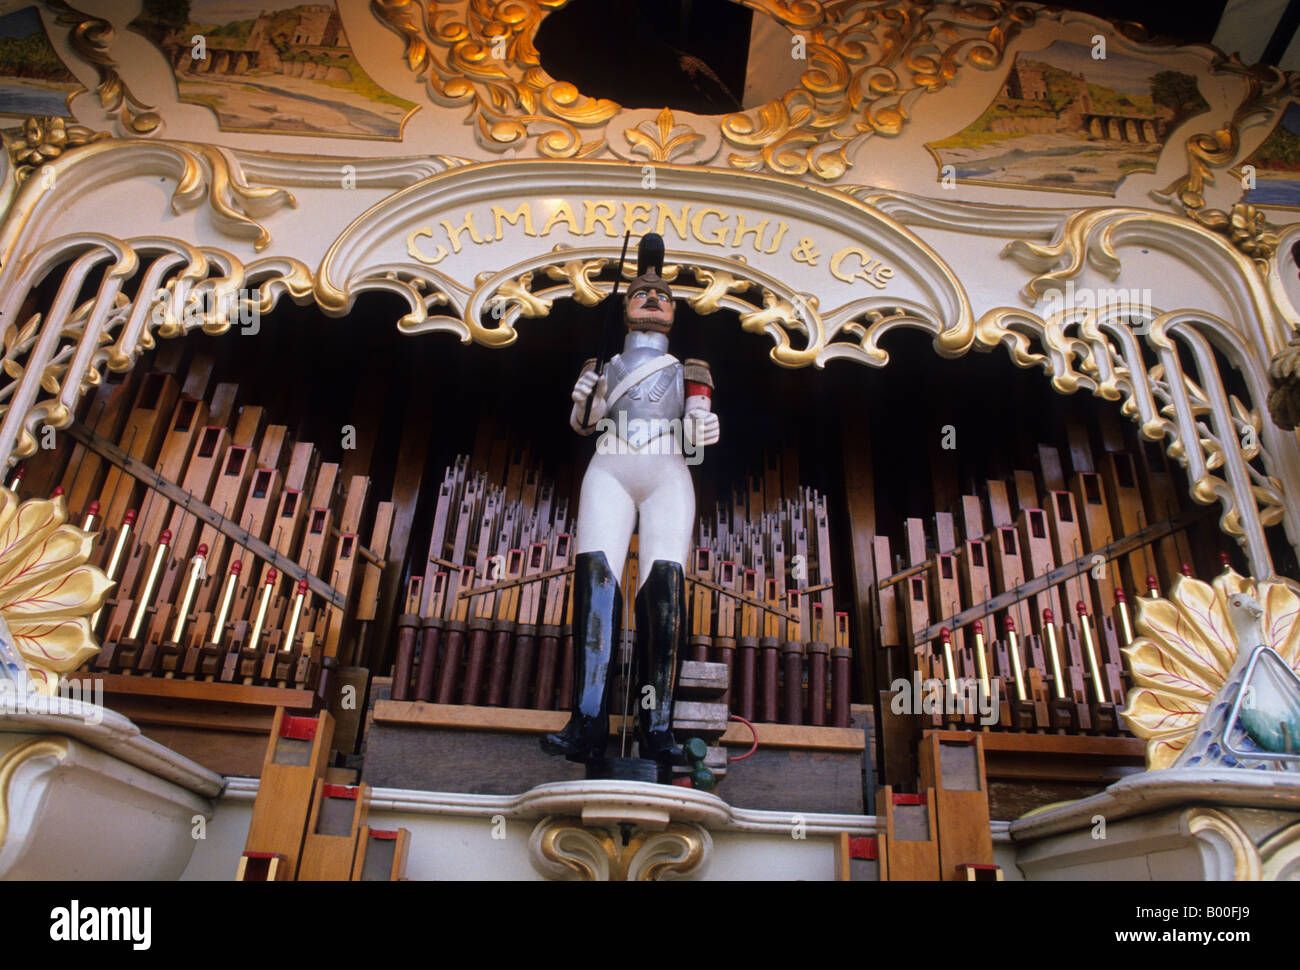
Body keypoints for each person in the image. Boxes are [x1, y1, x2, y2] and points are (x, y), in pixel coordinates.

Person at [540, 234, 719, 779]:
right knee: (595, 576)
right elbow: (585, 427)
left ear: (674, 309)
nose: (651, 297)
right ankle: (589, 718)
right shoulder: (604, 364)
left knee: (664, 585)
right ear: (625, 304)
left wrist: (704, 428)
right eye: (641, 291)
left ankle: (656, 726)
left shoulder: (692, 368)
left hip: (667, 470)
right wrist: (583, 400)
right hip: (611, 465)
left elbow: (694, 444)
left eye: (661, 293)